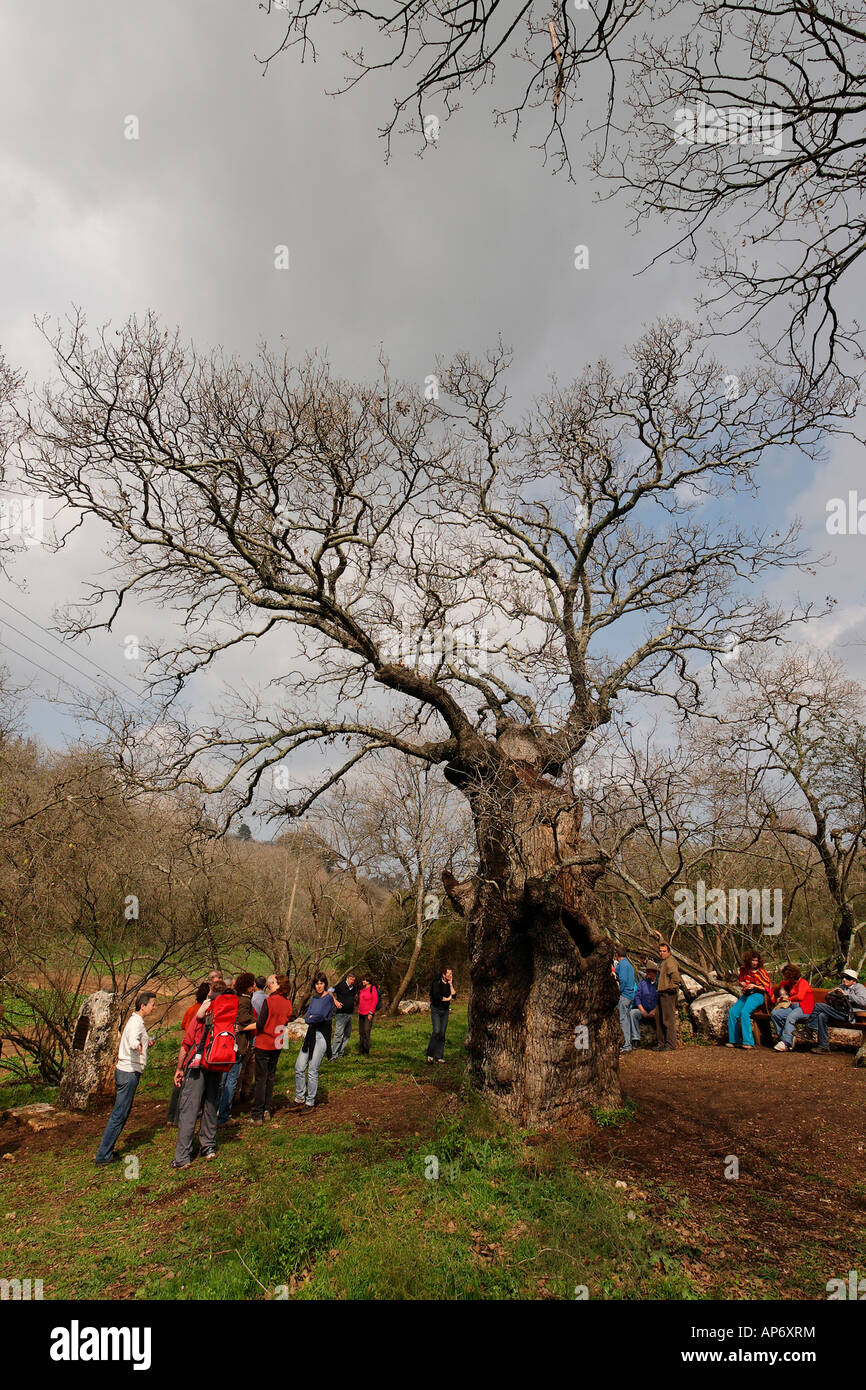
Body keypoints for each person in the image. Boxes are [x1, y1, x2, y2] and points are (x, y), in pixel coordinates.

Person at [171, 982, 236, 1170]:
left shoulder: (204, 1010)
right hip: (216, 1063)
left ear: (210, 993)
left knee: (189, 1109)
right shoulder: (227, 1013)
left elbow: (186, 1043)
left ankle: (183, 1156)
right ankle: (208, 1146)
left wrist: (180, 1068)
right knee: (210, 1105)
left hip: (197, 1065)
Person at [95, 992, 157, 1166]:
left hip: (126, 1071)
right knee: (119, 1114)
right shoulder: (136, 1024)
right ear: (143, 1006)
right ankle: (103, 1155)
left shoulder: (135, 1022)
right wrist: (136, 1045)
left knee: (122, 1113)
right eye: (152, 1004)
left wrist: (145, 1043)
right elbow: (131, 1040)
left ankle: (107, 1151)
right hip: (128, 1073)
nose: (154, 1007)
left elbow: (134, 1038)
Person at [251, 974, 293, 1123]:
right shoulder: (288, 1003)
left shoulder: (269, 1001)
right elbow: (286, 1021)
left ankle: (257, 1114)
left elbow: (260, 1024)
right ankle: (267, 1109)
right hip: (279, 1041)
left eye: (273, 983)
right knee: (270, 1077)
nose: (270, 984)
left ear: (279, 985)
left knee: (261, 1079)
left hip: (265, 1042)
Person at [217, 973, 258, 1125]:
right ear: (248, 986)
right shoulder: (245, 1001)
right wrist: (257, 1022)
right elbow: (244, 1019)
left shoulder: (234, 998)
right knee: (232, 1080)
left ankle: (216, 1110)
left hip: (228, 1044)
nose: (254, 987)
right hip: (239, 1046)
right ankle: (224, 1115)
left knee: (223, 1080)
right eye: (252, 984)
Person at [166, 982, 209, 1125]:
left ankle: (170, 1117)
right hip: (194, 1049)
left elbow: (184, 1025)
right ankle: (181, 1118)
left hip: (187, 1046)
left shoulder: (190, 1009)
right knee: (189, 1089)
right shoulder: (205, 1012)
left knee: (177, 1087)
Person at [292, 972, 335, 1110]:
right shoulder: (315, 999)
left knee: (312, 1069)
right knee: (299, 1067)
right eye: (317, 983)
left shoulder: (328, 998)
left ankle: (310, 1101)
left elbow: (321, 1016)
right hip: (310, 1036)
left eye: (321, 983)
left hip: (322, 1036)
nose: (319, 986)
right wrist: (311, 1017)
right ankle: (299, 1097)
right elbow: (307, 1018)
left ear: (325, 984)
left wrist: (313, 1017)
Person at [803, 968, 866, 1053]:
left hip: (850, 1015)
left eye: (847, 978)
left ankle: (809, 1030)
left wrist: (847, 995)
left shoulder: (859, 987)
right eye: (843, 977)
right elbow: (829, 995)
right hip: (838, 1012)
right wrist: (834, 993)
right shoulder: (841, 986)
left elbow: (863, 1001)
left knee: (818, 1006)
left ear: (854, 981)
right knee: (822, 1016)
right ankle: (823, 1047)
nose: (844, 980)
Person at [726, 949, 772, 1049]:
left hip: (758, 995)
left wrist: (755, 986)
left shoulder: (761, 972)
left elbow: (767, 987)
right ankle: (734, 1040)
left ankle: (748, 1041)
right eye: (753, 960)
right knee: (733, 1012)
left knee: (745, 1012)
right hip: (747, 994)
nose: (755, 963)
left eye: (756, 960)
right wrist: (742, 983)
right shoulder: (744, 970)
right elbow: (741, 980)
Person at [770, 964, 815, 1052]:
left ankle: (786, 1043)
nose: (787, 979)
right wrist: (782, 989)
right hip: (793, 1007)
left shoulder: (803, 983)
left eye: (788, 977)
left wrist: (788, 998)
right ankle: (784, 1039)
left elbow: (800, 997)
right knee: (775, 1014)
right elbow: (783, 983)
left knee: (791, 1017)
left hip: (804, 1008)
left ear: (793, 975)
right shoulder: (790, 983)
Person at [427, 967, 456, 1063]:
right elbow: (436, 996)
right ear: (444, 975)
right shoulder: (437, 983)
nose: (451, 976)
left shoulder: (449, 983)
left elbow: (454, 995)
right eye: (449, 974)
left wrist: (451, 984)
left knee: (442, 1033)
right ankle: (430, 1055)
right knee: (436, 1031)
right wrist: (447, 999)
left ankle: (439, 1056)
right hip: (436, 1009)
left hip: (445, 1011)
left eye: (451, 974)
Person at [656, 942, 682, 1051]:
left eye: (664, 951)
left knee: (668, 1019)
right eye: (660, 951)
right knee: (658, 1017)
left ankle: (671, 1043)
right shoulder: (664, 961)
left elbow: (676, 977)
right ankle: (661, 1043)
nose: (661, 953)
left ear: (669, 952)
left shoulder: (670, 962)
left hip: (668, 994)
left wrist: (669, 987)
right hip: (661, 993)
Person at [613, 947, 639, 1053]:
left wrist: (619, 990)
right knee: (626, 1019)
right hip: (630, 996)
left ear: (617, 955)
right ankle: (627, 1043)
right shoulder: (629, 965)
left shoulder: (623, 965)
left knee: (623, 1020)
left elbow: (622, 979)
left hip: (624, 996)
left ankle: (626, 1045)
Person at [630, 963, 659, 1048]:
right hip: (643, 1010)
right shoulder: (642, 984)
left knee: (660, 1016)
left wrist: (655, 1010)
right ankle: (636, 1039)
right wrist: (642, 1010)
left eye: (650, 972)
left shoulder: (658, 985)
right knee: (632, 1013)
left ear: (655, 973)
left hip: (654, 1010)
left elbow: (660, 1000)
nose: (648, 974)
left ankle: (659, 1039)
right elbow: (637, 997)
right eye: (647, 972)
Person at [329, 973, 357, 1059]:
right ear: (348, 978)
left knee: (347, 1035)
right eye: (351, 980)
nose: (353, 982)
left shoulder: (353, 988)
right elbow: (329, 991)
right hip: (341, 1014)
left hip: (350, 1014)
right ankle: (333, 1055)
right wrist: (335, 1001)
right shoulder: (341, 985)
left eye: (354, 980)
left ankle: (340, 1053)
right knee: (338, 1034)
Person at [357, 975, 379, 1055]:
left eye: (364, 980)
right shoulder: (362, 989)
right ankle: (361, 1050)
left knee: (366, 1031)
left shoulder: (372, 988)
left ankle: (366, 1051)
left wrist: (371, 1012)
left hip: (368, 1014)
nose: (363, 981)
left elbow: (375, 1000)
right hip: (361, 1013)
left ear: (368, 981)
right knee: (361, 1032)